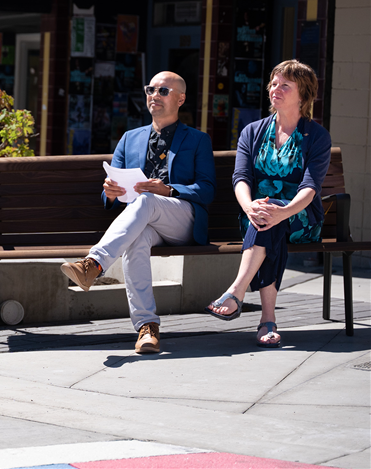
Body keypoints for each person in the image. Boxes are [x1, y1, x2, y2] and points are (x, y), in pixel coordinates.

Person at [60, 72, 215, 354]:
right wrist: (109, 192)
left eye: (163, 91)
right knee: (137, 239)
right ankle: (147, 328)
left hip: (182, 220)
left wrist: (167, 189)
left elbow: (206, 190)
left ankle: (93, 264)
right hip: (145, 220)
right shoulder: (130, 138)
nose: (154, 95)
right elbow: (113, 184)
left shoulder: (198, 140)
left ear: (180, 99)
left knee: (146, 201)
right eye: (150, 89)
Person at [205, 60, 330, 348]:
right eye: (273, 83)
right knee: (267, 220)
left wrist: (283, 211)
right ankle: (266, 320)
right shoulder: (253, 131)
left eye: (285, 85)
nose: (276, 89)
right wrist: (249, 207)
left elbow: (310, 187)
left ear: (304, 94)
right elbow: (241, 177)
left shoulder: (316, 137)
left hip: (300, 216)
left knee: (272, 215)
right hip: (255, 215)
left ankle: (237, 291)